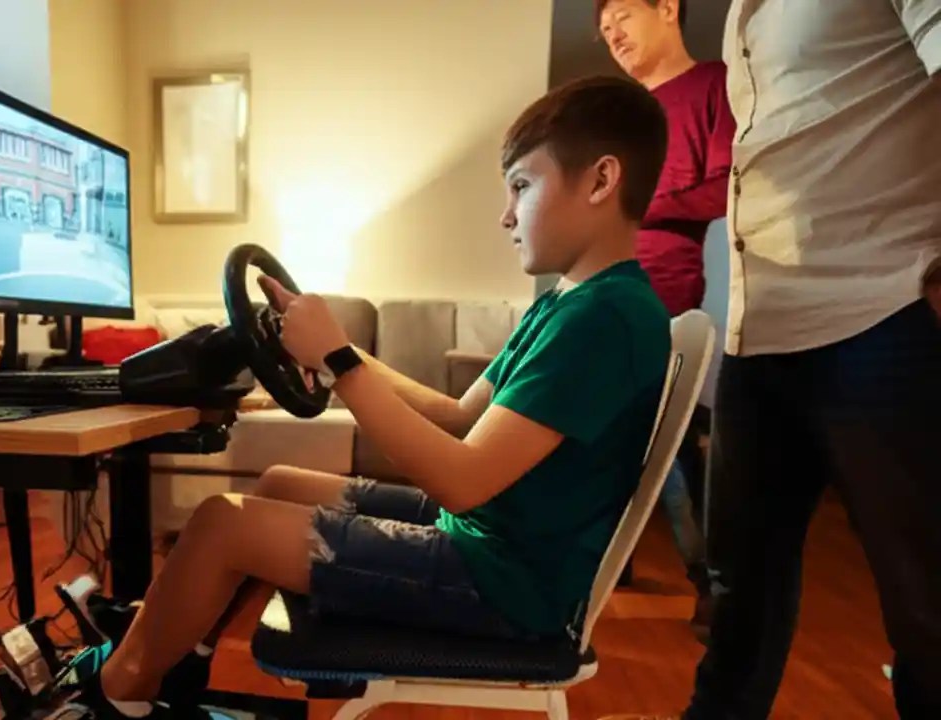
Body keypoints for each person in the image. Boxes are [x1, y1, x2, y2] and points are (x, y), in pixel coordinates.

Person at [71, 76, 675, 720]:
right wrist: (343, 355)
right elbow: (462, 416)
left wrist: (337, 360)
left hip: (505, 586)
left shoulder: (605, 319)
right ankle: (176, 649)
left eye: (522, 186)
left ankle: (119, 693)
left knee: (221, 522)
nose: (505, 214)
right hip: (497, 547)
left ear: (601, 180)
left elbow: (464, 482)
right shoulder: (567, 303)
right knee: (275, 481)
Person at [603, 1, 941, 718]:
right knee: (738, 592)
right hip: (761, 329)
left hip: (882, 309)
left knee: (923, 602)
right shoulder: (743, 15)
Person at [596, 0, 735, 640]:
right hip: (600, 286)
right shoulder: (619, 112)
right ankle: (607, 561)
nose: (613, 34)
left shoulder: (713, 83)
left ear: (669, 9)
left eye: (622, 15)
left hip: (665, 292)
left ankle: (710, 582)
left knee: (667, 439)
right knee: (603, 427)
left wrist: (642, 207)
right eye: (603, 30)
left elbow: (726, 183)